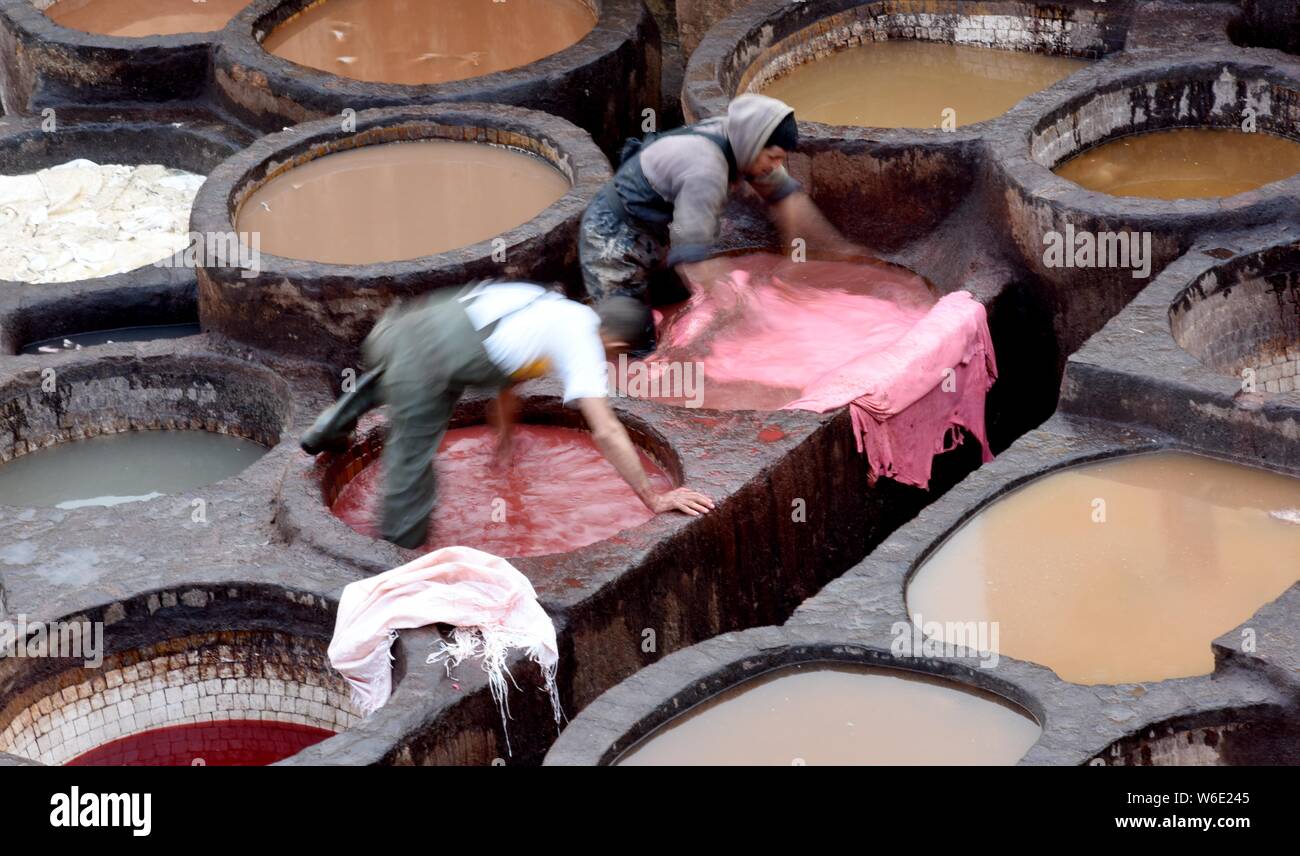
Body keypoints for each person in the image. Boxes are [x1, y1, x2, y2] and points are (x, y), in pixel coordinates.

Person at [300, 281, 716, 549]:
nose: (612, 363)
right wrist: (654, 497)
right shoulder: (582, 340)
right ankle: (394, 555)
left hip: (398, 331)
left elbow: (504, 372)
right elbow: (605, 428)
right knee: (414, 454)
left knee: (407, 379)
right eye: (619, 355)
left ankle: (329, 429)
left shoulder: (552, 306)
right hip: (426, 359)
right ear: (614, 340)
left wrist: (504, 438)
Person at [579, 93, 870, 349]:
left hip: (650, 232)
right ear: (756, 145)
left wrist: (828, 250)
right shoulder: (706, 166)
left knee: (676, 301)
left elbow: (789, 198)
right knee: (633, 338)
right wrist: (747, 313)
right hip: (611, 236)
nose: (775, 166)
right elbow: (693, 255)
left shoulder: (745, 140)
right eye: (774, 157)